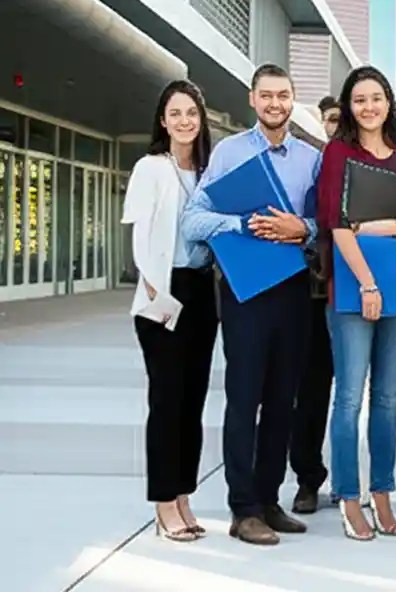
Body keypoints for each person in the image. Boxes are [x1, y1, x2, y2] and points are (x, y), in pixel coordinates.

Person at [182, 63, 320, 545]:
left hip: (293, 289)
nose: (275, 104)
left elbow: (324, 223)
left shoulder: (311, 159)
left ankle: (268, 499)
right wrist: (241, 225)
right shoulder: (229, 153)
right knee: (244, 399)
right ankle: (243, 509)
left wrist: (302, 229)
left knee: (284, 400)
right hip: (244, 291)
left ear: (293, 99)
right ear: (252, 99)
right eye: (266, 96)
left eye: (283, 95)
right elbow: (193, 220)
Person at [316, 67, 396, 540]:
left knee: (388, 398)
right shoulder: (338, 154)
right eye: (360, 100)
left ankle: (382, 491)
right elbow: (338, 225)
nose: (369, 107)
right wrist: (368, 285)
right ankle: (349, 495)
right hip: (354, 288)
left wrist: (389, 227)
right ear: (349, 106)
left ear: (388, 103)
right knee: (351, 397)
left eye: (377, 98)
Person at [123, 80, 218, 542]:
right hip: (164, 291)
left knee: (193, 400)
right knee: (166, 399)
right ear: (163, 121)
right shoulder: (150, 168)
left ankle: (184, 494)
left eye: (191, 113)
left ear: (201, 120)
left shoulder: (208, 171)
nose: (184, 121)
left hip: (202, 291)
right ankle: (163, 502)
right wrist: (158, 294)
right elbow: (141, 238)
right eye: (175, 113)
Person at [291, 95, 340, 515]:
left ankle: (351, 481)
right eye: (331, 119)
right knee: (311, 390)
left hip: (364, 291)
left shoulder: (370, 161)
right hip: (316, 292)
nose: (336, 126)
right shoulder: (310, 164)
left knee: (360, 395)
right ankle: (308, 477)